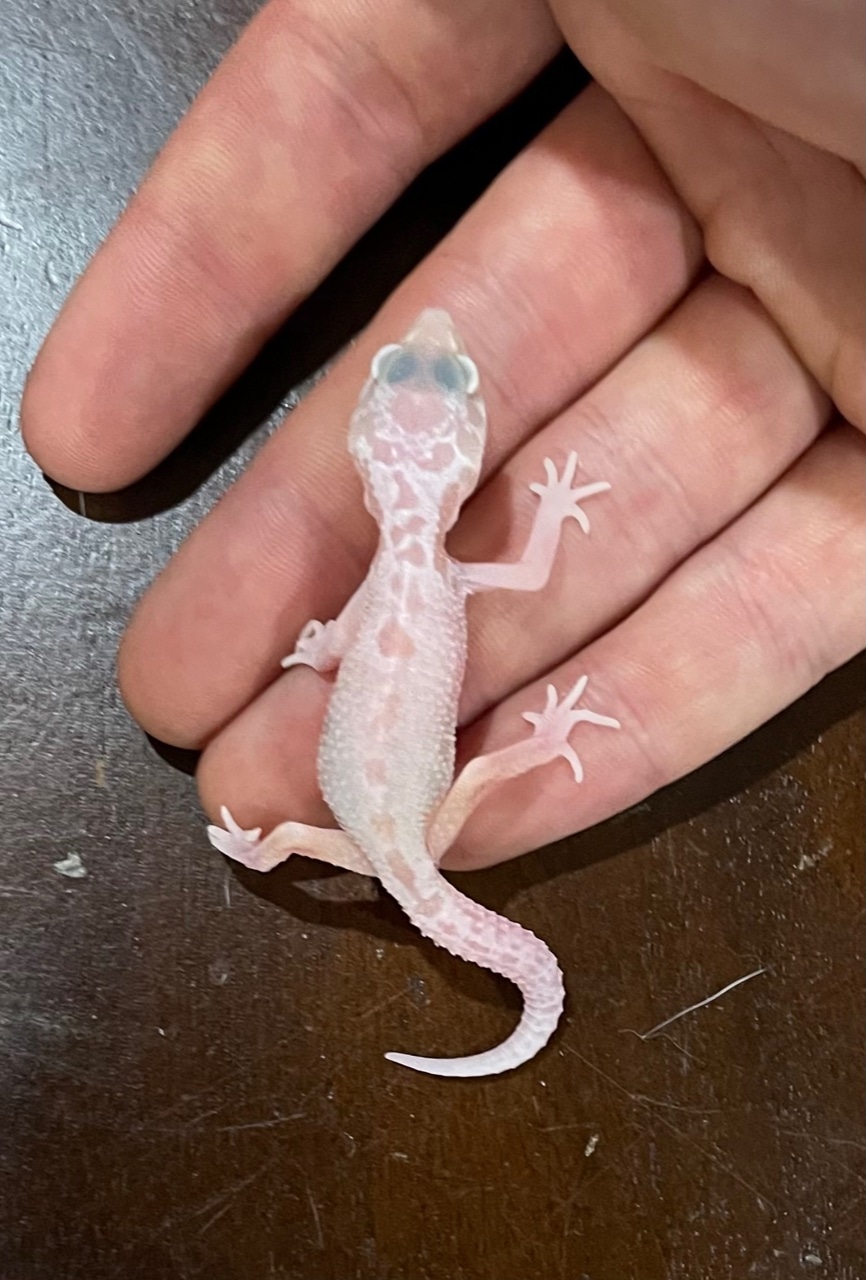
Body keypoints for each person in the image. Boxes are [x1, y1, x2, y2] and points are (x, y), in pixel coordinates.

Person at [20, 0, 864, 870]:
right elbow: (522, 573)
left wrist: (324, 649)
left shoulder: (393, 573)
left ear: (369, 452)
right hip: (385, 823)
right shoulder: (440, 574)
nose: (434, 348)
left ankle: (290, 855)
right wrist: (545, 518)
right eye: (413, 374)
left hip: (384, 821)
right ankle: (292, 854)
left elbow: (357, 632)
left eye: (432, 376)